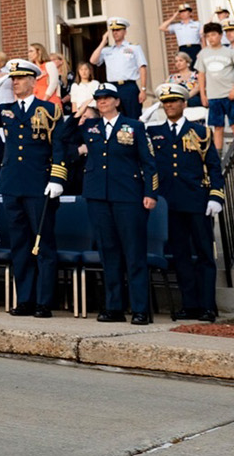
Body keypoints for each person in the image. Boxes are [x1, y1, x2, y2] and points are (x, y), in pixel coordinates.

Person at [0, 58, 63, 317]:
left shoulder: (49, 110)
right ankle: (25, 299)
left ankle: (44, 301)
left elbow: (59, 146)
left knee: (43, 245)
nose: (15, 82)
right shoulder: (7, 110)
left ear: (33, 81)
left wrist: (57, 178)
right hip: (12, 185)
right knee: (20, 245)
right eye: (13, 79)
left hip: (38, 185)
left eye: (20, 78)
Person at [66, 82, 157, 324]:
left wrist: (151, 192)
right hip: (98, 197)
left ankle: (139, 309)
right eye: (99, 98)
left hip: (128, 196)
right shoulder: (90, 127)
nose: (102, 101)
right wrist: (79, 112)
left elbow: (149, 162)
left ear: (117, 101)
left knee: (133, 253)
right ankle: (114, 306)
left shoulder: (134, 126)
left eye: (107, 97)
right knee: (109, 253)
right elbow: (63, 136)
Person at [148, 82, 222, 321]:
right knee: (180, 256)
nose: (168, 106)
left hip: (197, 201)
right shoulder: (154, 133)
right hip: (169, 203)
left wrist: (215, 195)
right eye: (165, 102)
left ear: (183, 103)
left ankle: (208, 305)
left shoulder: (200, 132)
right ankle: (189, 304)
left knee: (203, 254)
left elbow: (213, 166)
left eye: (173, 101)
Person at [194, 23, 234, 145]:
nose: (211, 38)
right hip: (213, 96)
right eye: (208, 36)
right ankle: (220, 158)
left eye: (213, 35)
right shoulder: (203, 54)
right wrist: (203, 94)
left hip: (230, 94)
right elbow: (201, 74)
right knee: (218, 128)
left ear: (220, 35)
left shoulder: (230, 52)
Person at [96, 20, 149, 118]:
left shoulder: (134, 47)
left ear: (125, 31)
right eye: (113, 30)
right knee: (114, 117)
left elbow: (142, 68)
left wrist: (143, 89)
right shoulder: (107, 50)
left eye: (118, 30)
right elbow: (93, 60)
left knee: (133, 116)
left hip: (129, 86)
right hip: (113, 87)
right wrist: (103, 42)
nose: (115, 32)